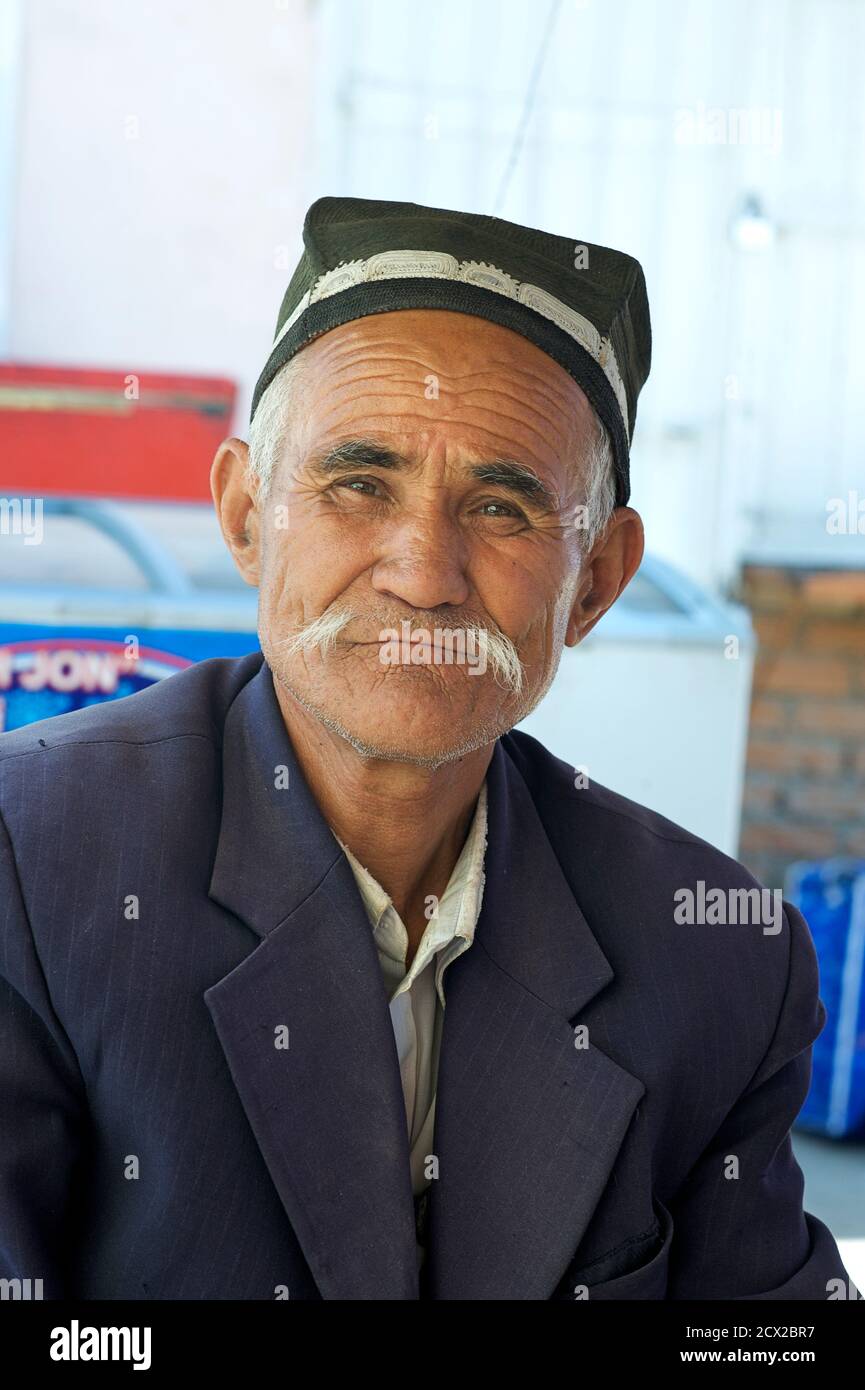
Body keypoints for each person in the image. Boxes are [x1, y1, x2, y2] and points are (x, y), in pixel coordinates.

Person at [0, 196, 858, 1300]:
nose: (422, 571)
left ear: (594, 581)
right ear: (248, 515)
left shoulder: (717, 956)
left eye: (502, 507)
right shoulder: (34, 864)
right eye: (360, 484)